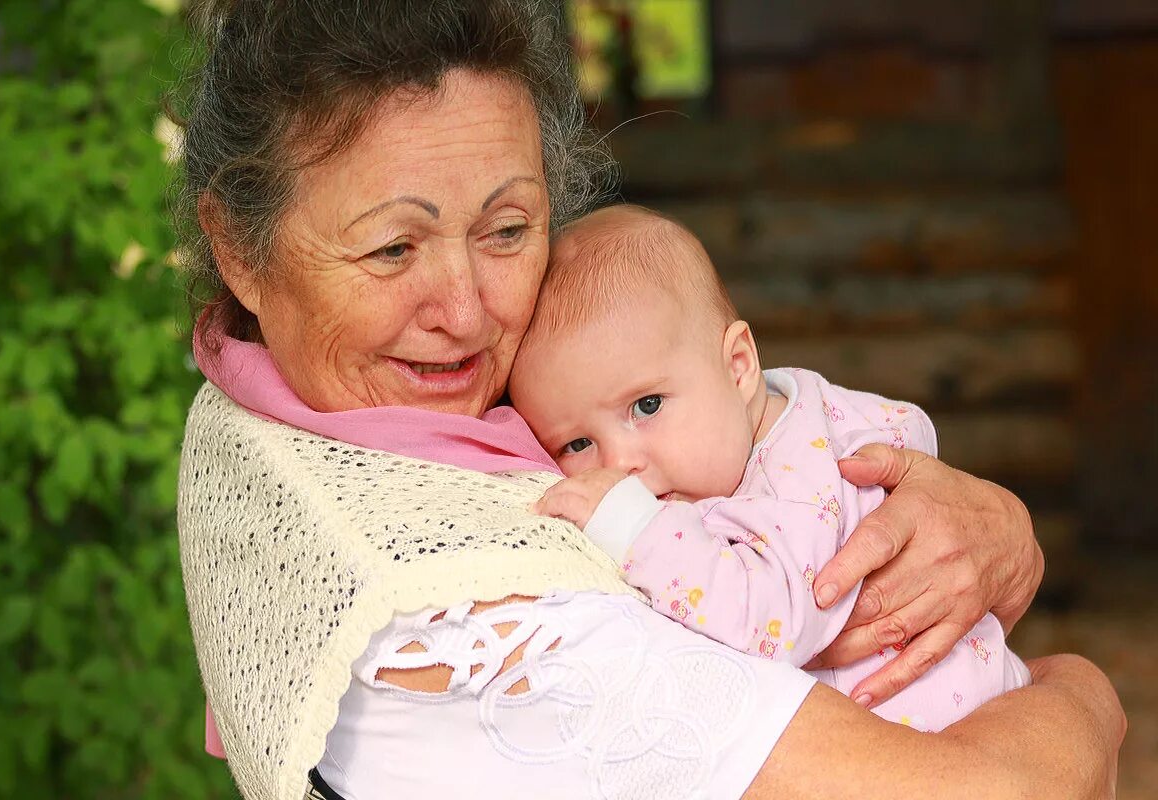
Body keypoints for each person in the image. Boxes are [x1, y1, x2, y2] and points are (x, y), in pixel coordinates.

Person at [173, 2, 1124, 799]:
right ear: (240, 250)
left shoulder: (286, 412)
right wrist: (1083, 693)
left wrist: (983, 517)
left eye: (507, 230)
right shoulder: (465, 621)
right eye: (392, 249)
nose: (465, 312)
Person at [510, 205, 1031, 732]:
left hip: (965, 739)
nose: (621, 465)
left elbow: (771, 624)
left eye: (647, 406)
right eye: (577, 443)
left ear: (738, 368)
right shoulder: (771, 429)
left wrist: (631, 525)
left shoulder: (797, 477)